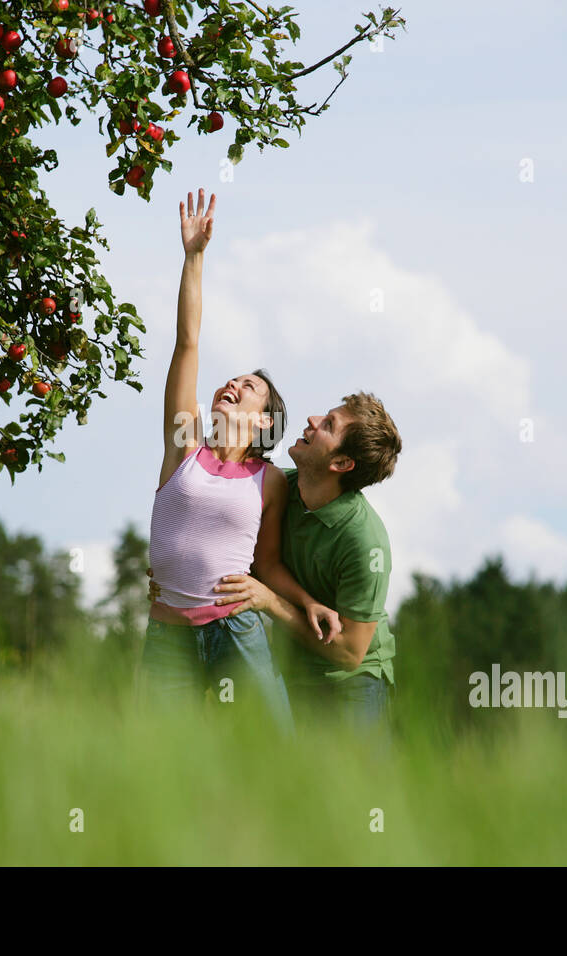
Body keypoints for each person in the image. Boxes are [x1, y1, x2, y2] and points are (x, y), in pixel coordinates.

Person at [140, 188, 341, 733]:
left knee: (267, 755)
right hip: (169, 635)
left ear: (262, 422)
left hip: (235, 631)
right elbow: (187, 344)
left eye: (248, 387)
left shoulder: (270, 481)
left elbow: (268, 565)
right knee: (156, 765)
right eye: (232, 380)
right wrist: (194, 257)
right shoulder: (185, 444)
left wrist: (301, 605)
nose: (231, 383)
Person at [209, 394, 403, 749]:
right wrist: (173, 572)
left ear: (342, 462)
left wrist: (271, 602)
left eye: (328, 425)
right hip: (289, 671)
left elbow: (349, 653)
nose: (313, 419)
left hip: (353, 684)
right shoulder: (276, 488)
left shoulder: (364, 542)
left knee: (353, 796)